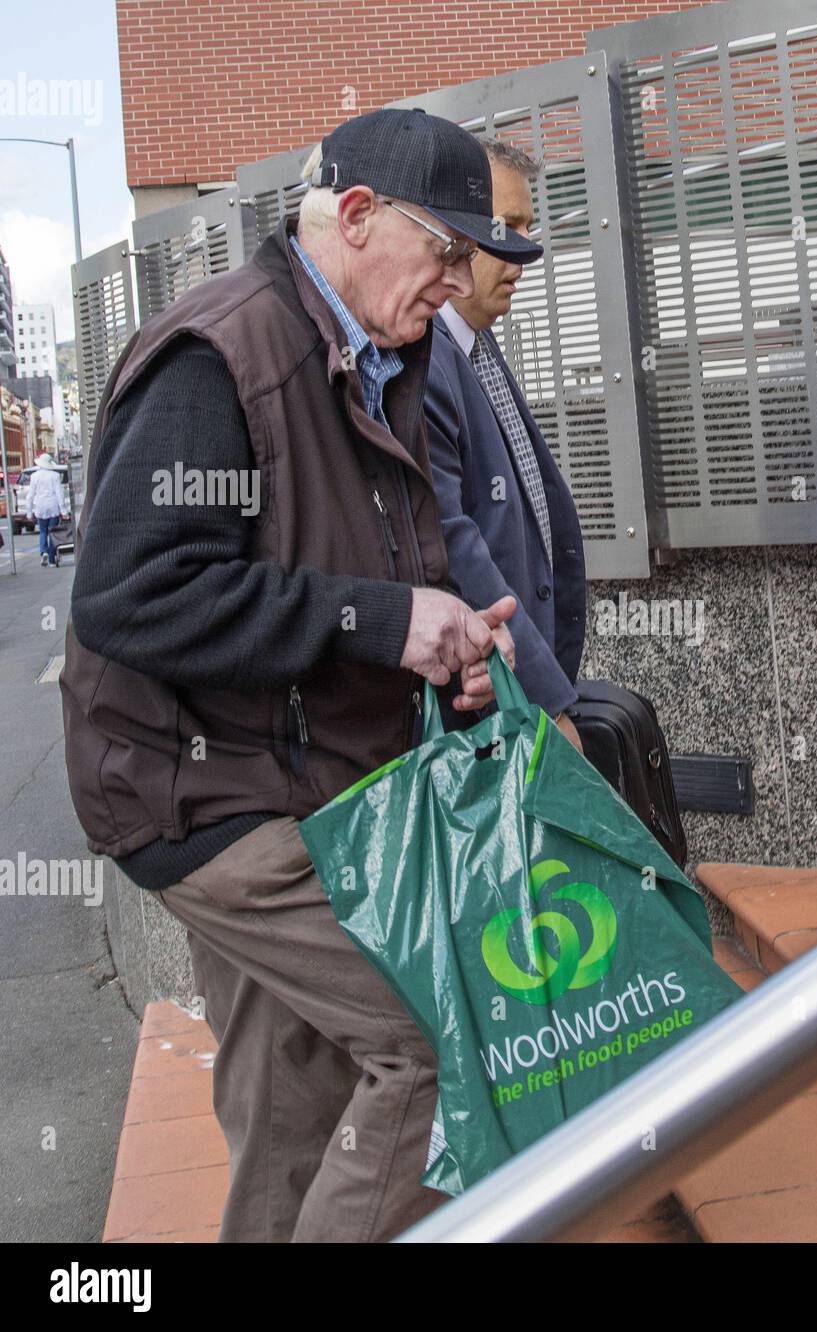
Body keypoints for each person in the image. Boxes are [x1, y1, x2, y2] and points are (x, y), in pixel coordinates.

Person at [60, 108, 544, 1243]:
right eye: (451, 249)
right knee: (442, 1038)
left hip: (300, 782)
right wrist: (383, 621)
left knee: (297, 1110)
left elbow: (364, 566)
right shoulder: (220, 355)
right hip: (212, 799)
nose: (463, 280)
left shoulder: (384, 349)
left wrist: (453, 641)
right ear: (360, 216)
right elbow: (132, 594)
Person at [424, 139, 586, 750]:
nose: (520, 257)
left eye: (528, 229)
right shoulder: (424, 363)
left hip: (521, 690)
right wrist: (546, 701)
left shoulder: (477, 344)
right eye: (504, 227)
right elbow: (456, 545)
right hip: (490, 710)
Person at [26, 453, 67, 567]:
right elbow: (59, 494)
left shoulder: (34, 476)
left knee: (43, 531)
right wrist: (63, 511)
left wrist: (29, 512)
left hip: (40, 506)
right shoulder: (55, 476)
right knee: (52, 533)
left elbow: (30, 495)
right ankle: (51, 560)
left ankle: (43, 551)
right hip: (53, 506)